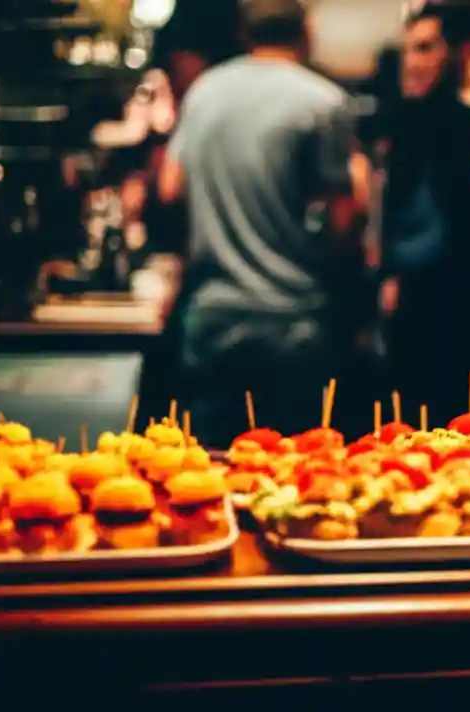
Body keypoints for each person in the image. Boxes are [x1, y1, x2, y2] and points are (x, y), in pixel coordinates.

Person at [158, 0, 369, 448]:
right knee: (295, 476)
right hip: (293, 319)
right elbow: (342, 215)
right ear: (305, 31)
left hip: (214, 312)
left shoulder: (204, 91)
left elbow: (169, 189)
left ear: (244, 32)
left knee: (209, 475)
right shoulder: (322, 100)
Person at [378, 5, 470, 425]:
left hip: (459, 309)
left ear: (461, 53)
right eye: (407, 50)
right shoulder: (407, 122)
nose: (412, 63)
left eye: (424, 49)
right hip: (416, 309)